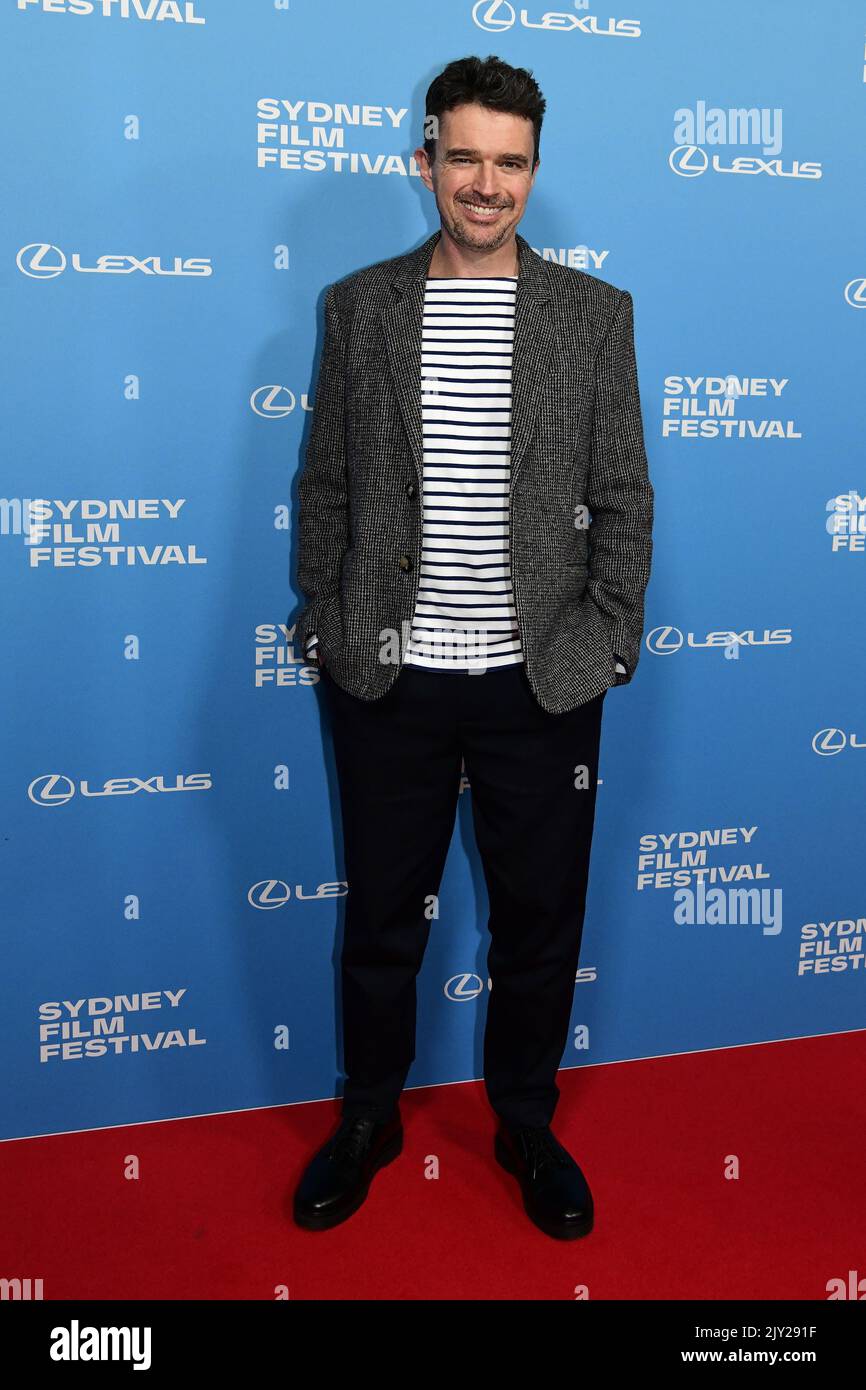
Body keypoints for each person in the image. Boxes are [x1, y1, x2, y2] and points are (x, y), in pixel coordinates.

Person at [291, 54, 653, 1241]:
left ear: (533, 172)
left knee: (538, 922)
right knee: (383, 920)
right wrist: (325, 623)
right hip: (389, 678)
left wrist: (602, 641)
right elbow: (327, 486)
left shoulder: (595, 317)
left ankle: (524, 1122)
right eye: (463, 158)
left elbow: (624, 497)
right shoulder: (360, 308)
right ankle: (368, 1117)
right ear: (424, 162)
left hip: (537, 682)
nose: (484, 184)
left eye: (509, 163)